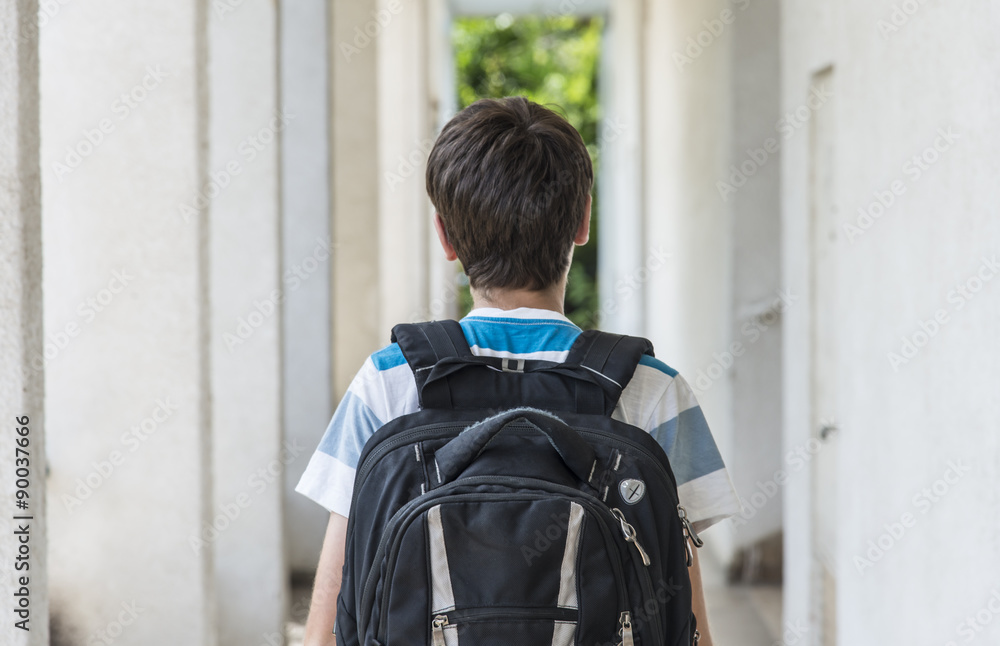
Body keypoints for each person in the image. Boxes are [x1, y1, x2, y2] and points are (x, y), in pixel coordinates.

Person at [296, 96, 741, 646]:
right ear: (582, 220)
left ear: (445, 237)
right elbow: (684, 609)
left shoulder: (389, 380)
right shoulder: (653, 389)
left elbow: (335, 596)